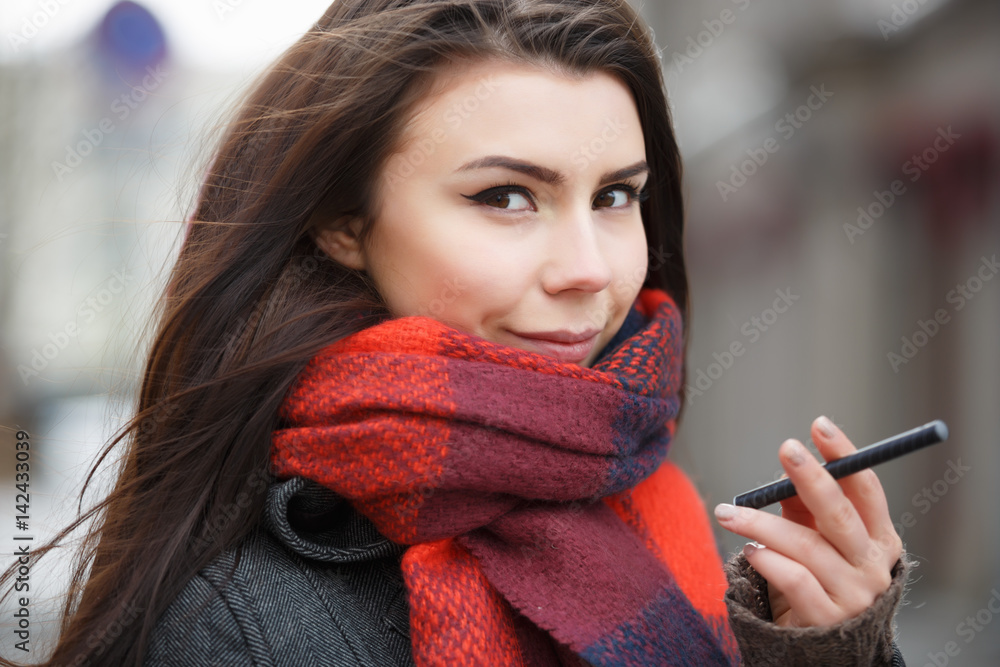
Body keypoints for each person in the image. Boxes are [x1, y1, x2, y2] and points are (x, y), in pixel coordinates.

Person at [0, 0, 913, 665]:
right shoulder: (240, 627)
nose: (588, 266)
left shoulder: (656, 514)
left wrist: (828, 654)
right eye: (506, 196)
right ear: (342, 221)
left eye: (616, 196)